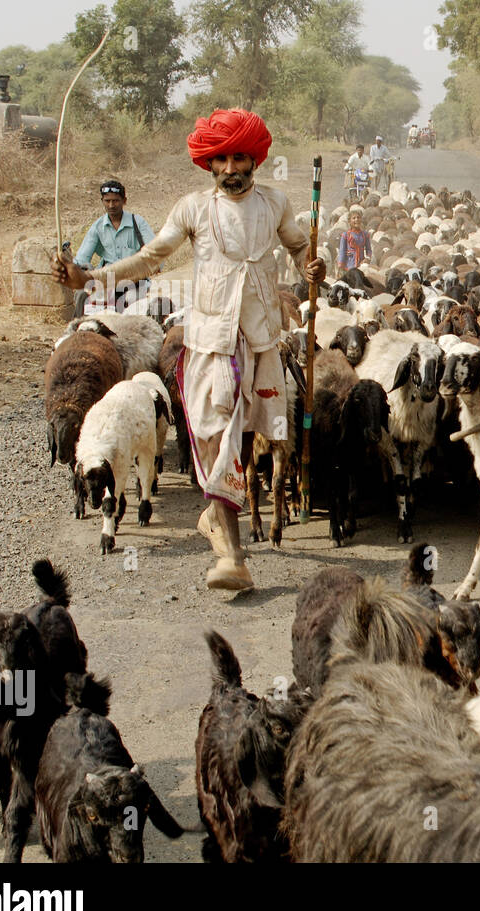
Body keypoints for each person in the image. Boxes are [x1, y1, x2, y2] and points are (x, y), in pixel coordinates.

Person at [51, 109, 326, 591]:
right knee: (218, 435)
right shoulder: (193, 208)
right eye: (224, 159)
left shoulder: (277, 204)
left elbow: (302, 250)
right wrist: (90, 277)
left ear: (255, 160)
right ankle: (232, 556)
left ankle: (216, 521)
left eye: (242, 157)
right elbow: (150, 257)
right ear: (210, 164)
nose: (233, 168)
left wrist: (313, 266)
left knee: (247, 441)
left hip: (261, 342)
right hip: (209, 344)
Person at [74, 179, 155, 312]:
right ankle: (78, 330)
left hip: (133, 280)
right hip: (106, 280)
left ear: (124, 201)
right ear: (102, 202)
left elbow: (156, 253)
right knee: (81, 295)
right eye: (107, 201)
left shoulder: (138, 223)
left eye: (116, 200)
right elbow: (82, 258)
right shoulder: (98, 226)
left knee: (131, 304)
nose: (111, 205)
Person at [337, 209, 371, 273]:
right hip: (349, 265)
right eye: (354, 218)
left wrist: (367, 258)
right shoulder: (345, 235)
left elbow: (368, 249)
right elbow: (342, 251)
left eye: (358, 217)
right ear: (349, 221)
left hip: (361, 265)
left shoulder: (365, 234)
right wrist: (340, 266)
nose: (356, 220)